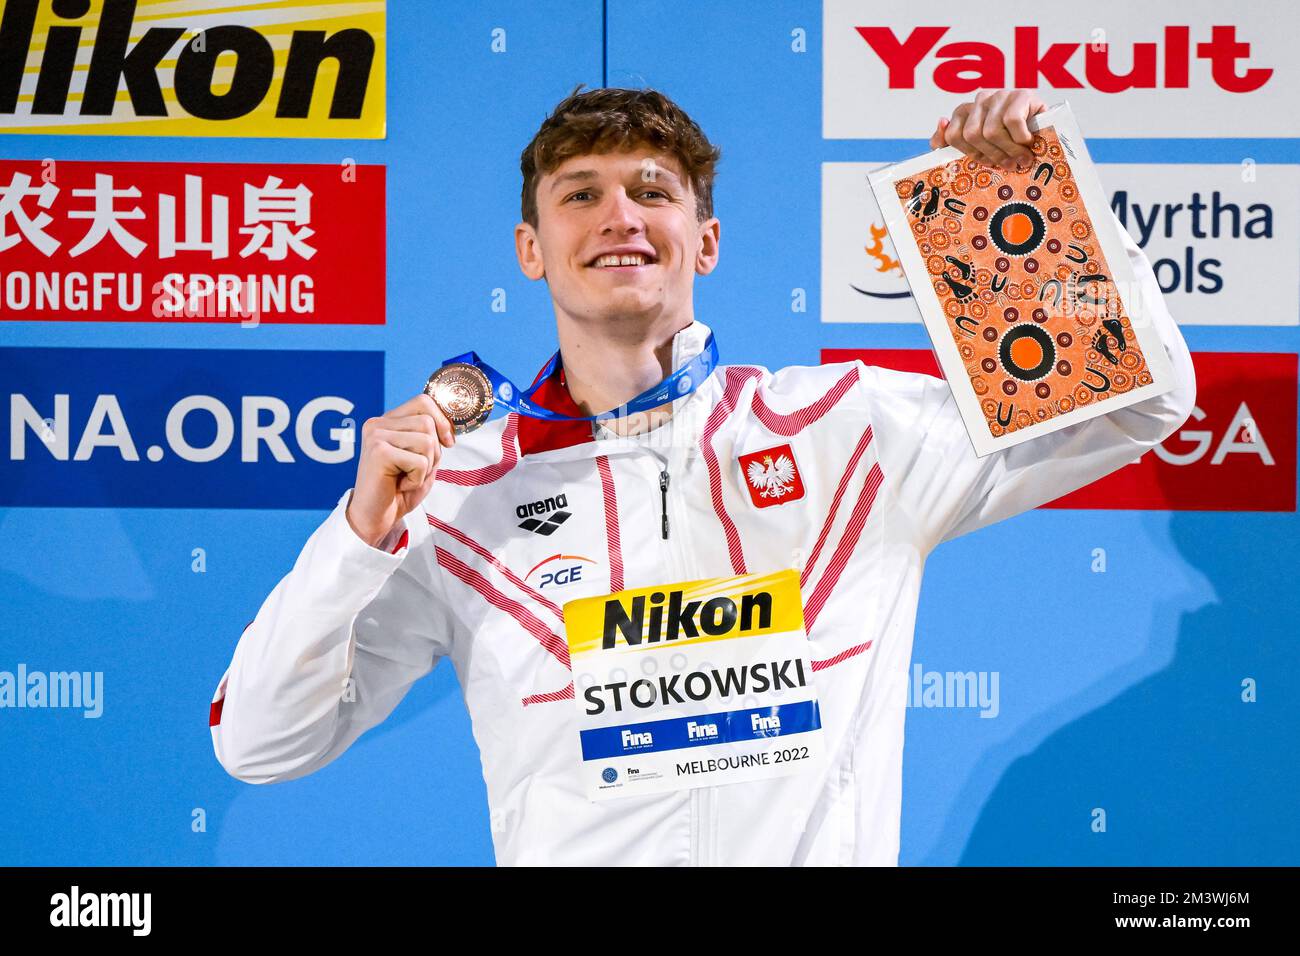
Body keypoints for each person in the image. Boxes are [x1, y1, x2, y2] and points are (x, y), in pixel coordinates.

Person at [209, 86, 1196, 865]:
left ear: (706, 240)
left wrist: (1025, 208)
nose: (619, 216)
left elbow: (1134, 406)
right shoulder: (463, 499)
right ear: (531, 248)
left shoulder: (844, 428)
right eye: (580, 193)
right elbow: (259, 744)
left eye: (652, 190)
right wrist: (354, 537)